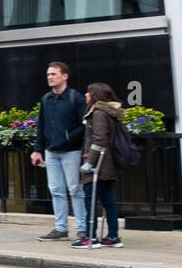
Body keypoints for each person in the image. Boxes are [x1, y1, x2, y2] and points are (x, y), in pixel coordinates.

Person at [31, 61, 88, 243]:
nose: (50, 77)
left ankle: (83, 228)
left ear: (65, 76)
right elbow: (41, 126)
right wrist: (37, 150)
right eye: (48, 74)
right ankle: (61, 228)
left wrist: (69, 137)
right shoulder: (46, 99)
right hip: (51, 152)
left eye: (54, 74)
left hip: (71, 151)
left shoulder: (75, 98)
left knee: (75, 190)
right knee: (56, 190)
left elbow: (84, 125)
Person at [74, 83, 126, 249]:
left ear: (95, 95)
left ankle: (90, 237)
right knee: (108, 203)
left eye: (88, 92)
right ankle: (113, 236)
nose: (86, 95)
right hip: (107, 166)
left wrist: (89, 163)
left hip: (98, 167)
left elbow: (99, 140)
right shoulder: (107, 113)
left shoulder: (98, 113)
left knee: (90, 202)